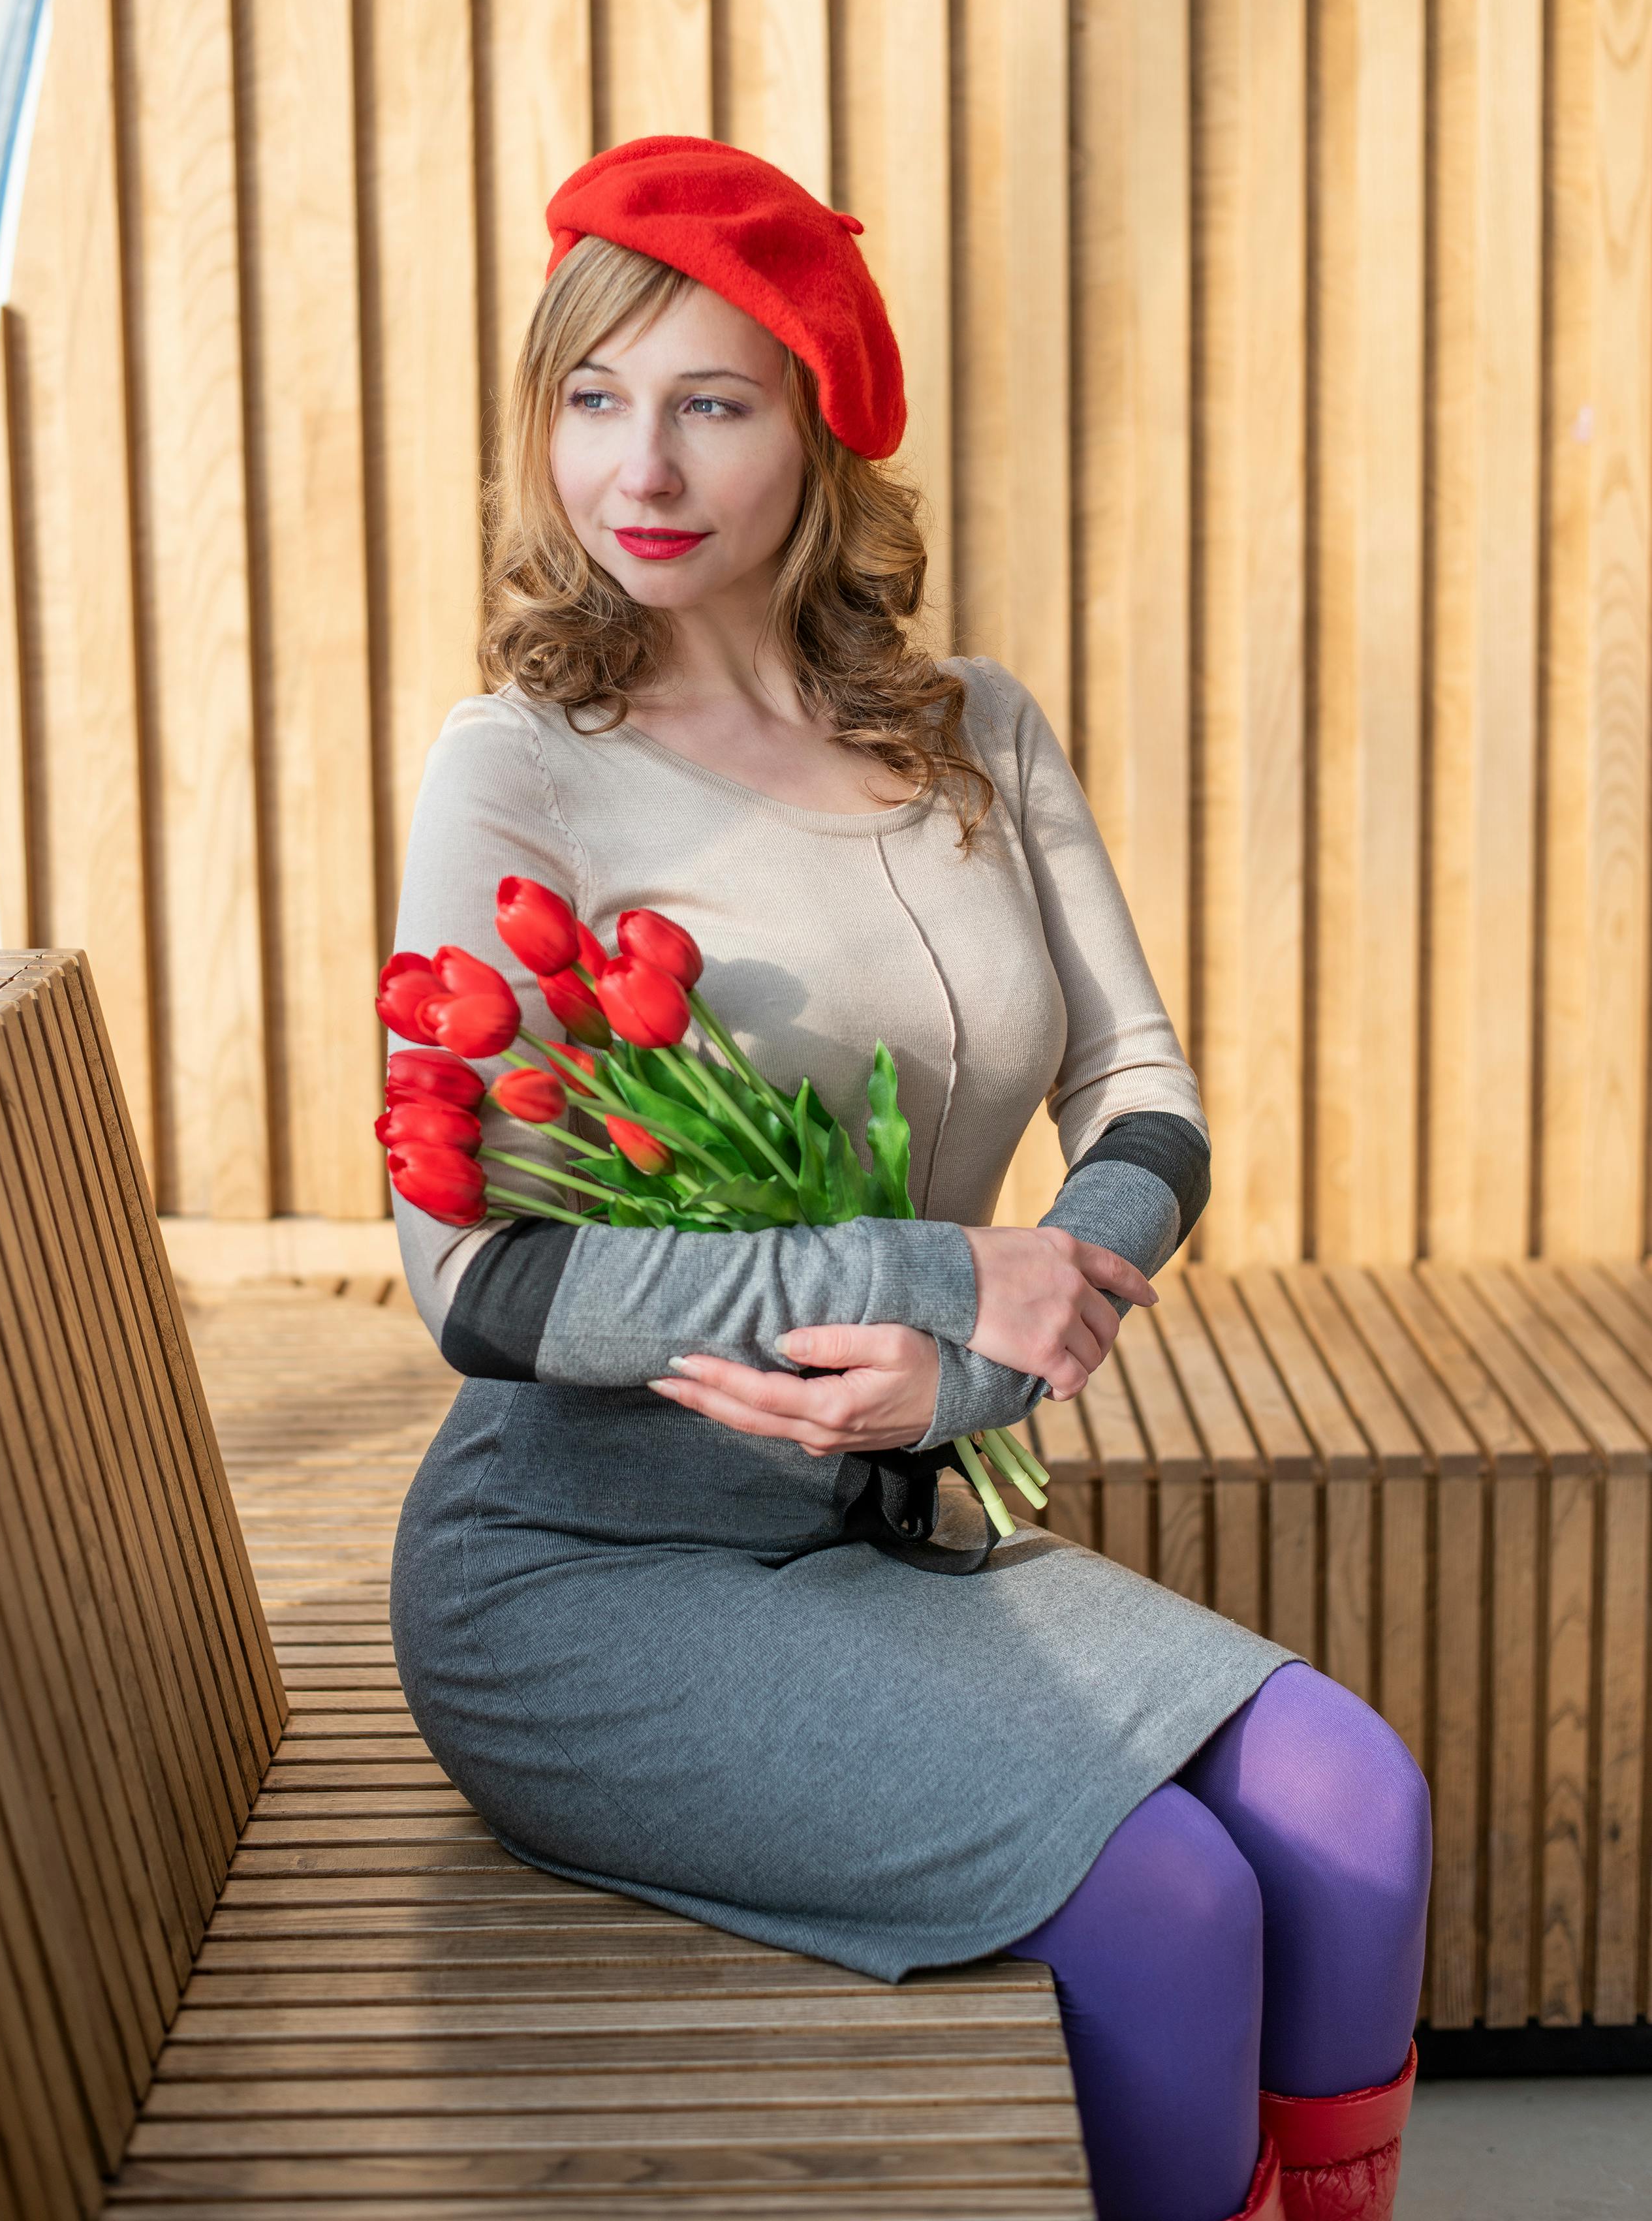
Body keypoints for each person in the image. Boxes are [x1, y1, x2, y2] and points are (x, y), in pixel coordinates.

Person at [387, 136, 1431, 2221]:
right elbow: (474, 1284)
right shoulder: (519, 762)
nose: (638, 469)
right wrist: (950, 1270)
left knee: (1355, 1813)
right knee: (1176, 1907)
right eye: (592, 398)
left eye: (711, 402)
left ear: (822, 428)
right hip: (580, 1575)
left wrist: (998, 1347)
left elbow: (1145, 1099)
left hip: (878, 1530)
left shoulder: (977, 731)